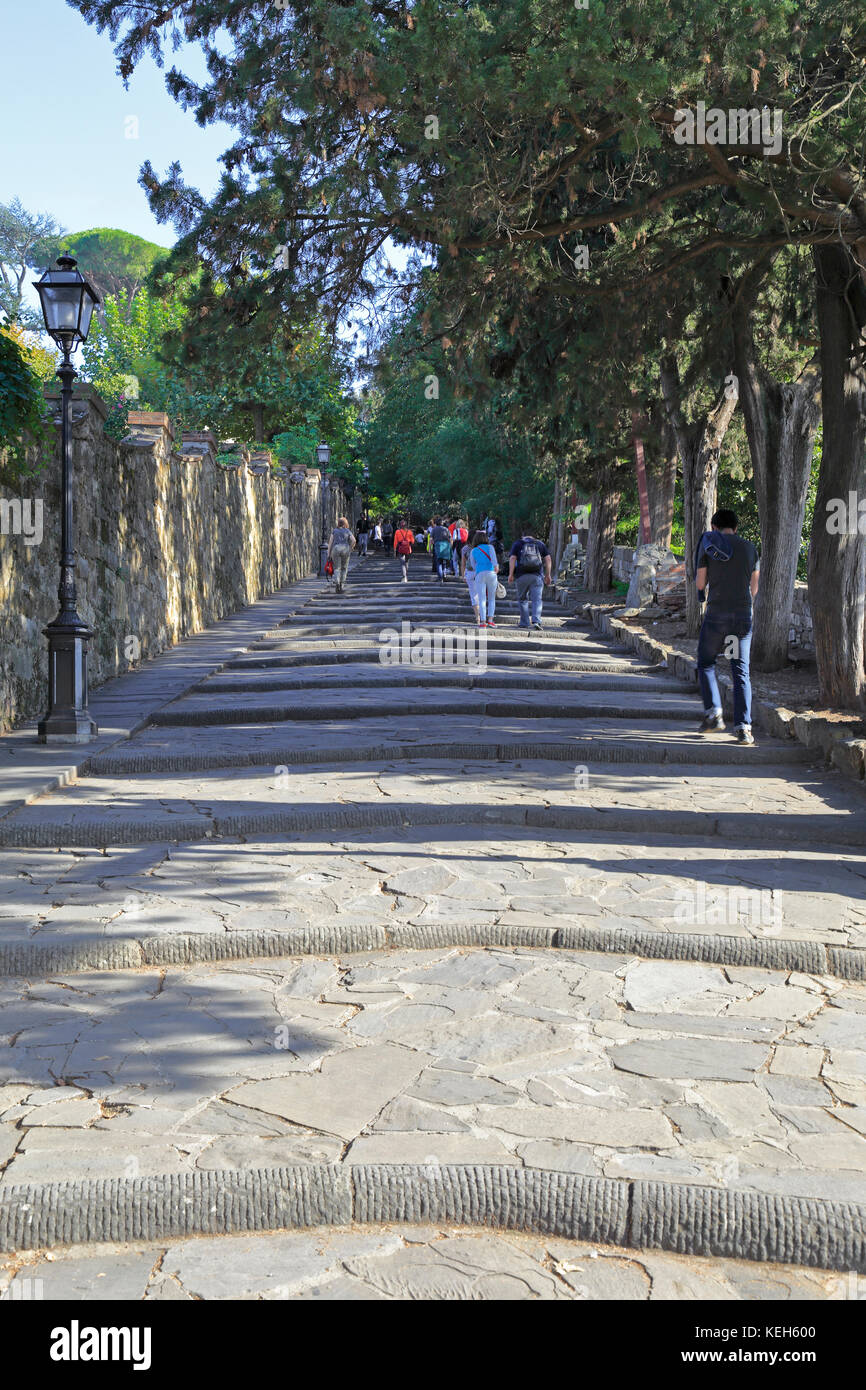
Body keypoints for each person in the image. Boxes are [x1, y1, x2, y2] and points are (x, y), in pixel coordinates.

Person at [694, 508, 760, 744]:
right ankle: (743, 728)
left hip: (717, 616)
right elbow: (754, 588)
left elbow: (700, 582)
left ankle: (714, 713)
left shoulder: (709, 545)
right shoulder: (750, 548)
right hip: (741, 618)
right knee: (740, 670)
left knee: (707, 662)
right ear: (736, 528)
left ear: (714, 527)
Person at [508, 525, 552, 631]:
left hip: (521, 576)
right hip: (537, 576)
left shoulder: (518, 543)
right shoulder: (540, 544)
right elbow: (548, 559)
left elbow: (513, 558)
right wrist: (548, 575)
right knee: (537, 599)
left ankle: (524, 622)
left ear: (523, 535)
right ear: (534, 536)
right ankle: (537, 621)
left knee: (523, 599)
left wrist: (510, 574)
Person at [470, 529, 499, 627]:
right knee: (491, 598)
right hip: (491, 573)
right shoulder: (490, 547)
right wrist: (496, 569)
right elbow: (495, 562)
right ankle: (490, 620)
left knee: (482, 599)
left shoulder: (473, 550)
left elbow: (473, 565)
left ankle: (483, 622)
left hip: (479, 574)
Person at [327, 515, 356, 593]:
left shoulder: (334, 531)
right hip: (345, 548)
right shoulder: (347, 531)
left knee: (337, 568)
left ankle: (337, 582)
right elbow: (354, 540)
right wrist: (350, 548)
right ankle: (341, 585)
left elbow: (330, 542)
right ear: (345, 524)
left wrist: (328, 553)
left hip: (336, 549)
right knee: (344, 568)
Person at [460, 531, 481, 626]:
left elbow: (463, 563)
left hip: (470, 573)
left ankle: (478, 618)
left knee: (473, 595)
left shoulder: (465, 549)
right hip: (481, 572)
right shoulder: (481, 548)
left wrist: (463, 575)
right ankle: (484, 616)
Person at [430, 515, 452, 582]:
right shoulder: (446, 529)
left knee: (439, 562)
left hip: (438, 546)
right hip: (446, 546)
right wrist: (451, 546)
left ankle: (440, 577)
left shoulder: (434, 529)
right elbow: (450, 538)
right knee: (444, 562)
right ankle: (444, 575)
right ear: (442, 522)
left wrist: (430, 548)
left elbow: (431, 539)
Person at [393, 518, 414, 582]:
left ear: (400, 525)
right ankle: (405, 575)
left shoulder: (397, 532)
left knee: (402, 563)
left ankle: (404, 576)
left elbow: (395, 542)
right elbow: (413, 541)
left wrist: (394, 550)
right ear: (406, 525)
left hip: (400, 548)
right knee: (406, 562)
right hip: (408, 549)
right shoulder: (410, 532)